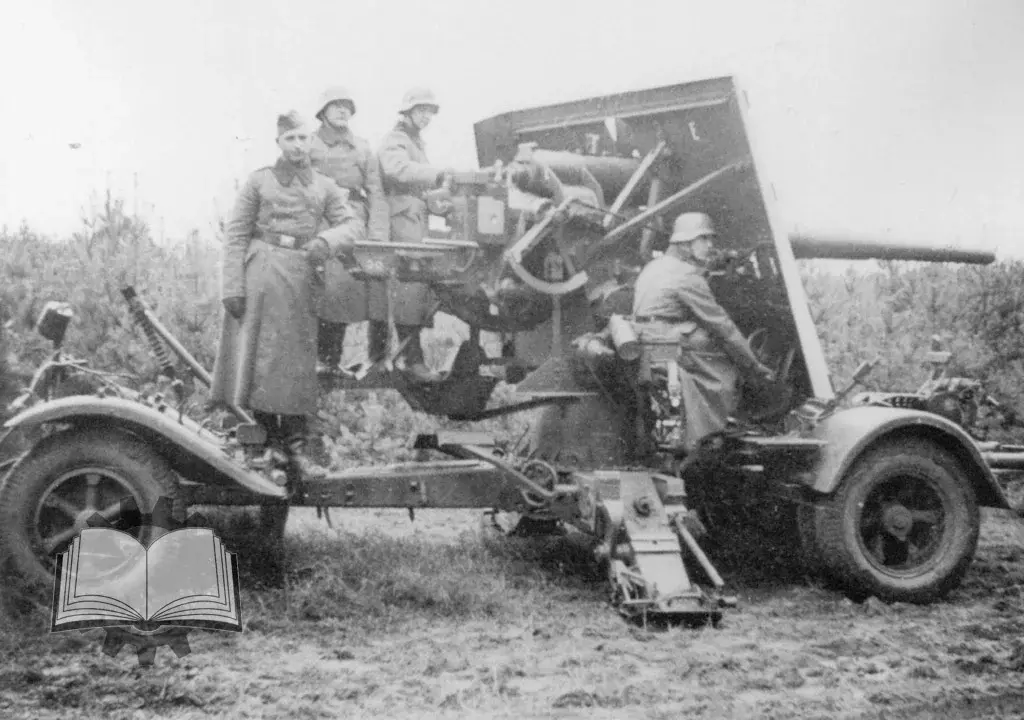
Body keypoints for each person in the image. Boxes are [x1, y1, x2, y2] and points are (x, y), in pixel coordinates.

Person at [211, 110, 364, 480]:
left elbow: (352, 224)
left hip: (301, 276)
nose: (297, 145)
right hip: (260, 274)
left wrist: (326, 241)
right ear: (278, 143)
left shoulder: (325, 186)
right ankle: (265, 443)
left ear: (311, 141)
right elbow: (236, 235)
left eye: (302, 138)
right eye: (290, 139)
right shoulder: (259, 182)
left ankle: (296, 448)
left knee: (296, 361)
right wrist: (232, 286)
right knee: (260, 359)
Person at [631, 211, 775, 452]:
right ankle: (713, 428)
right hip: (665, 345)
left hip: (646, 340)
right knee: (723, 355)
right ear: (686, 243)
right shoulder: (686, 276)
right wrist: (753, 365)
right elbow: (723, 326)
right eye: (704, 239)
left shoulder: (654, 267)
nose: (710, 246)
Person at [309, 86, 390, 373]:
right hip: (324, 222)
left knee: (378, 286)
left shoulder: (363, 147)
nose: (343, 111)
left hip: (358, 220)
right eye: (336, 106)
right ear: (323, 112)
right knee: (334, 290)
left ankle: (379, 359)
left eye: (347, 106)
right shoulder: (309, 145)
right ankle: (328, 360)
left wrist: (379, 235)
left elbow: (376, 192)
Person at [377, 87, 453, 383]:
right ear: (407, 112)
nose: (426, 116)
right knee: (410, 286)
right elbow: (397, 169)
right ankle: (410, 360)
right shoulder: (396, 139)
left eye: (429, 112)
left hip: (414, 217)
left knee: (417, 287)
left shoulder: (413, 140)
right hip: (403, 218)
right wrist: (436, 174)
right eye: (421, 110)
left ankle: (402, 357)